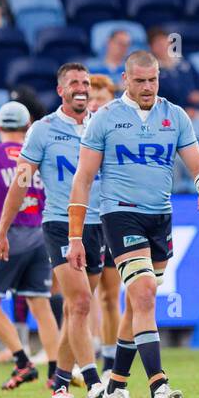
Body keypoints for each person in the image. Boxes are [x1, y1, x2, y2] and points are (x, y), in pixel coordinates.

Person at [68, 48, 199, 398]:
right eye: (140, 81)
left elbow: (198, 163)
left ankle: (116, 385)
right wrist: (75, 236)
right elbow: (83, 179)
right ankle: (159, 385)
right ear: (125, 79)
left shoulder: (175, 115)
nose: (148, 87)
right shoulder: (104, 119)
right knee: (145, 292)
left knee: (139, 303)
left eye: (153, 80)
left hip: (161, 218)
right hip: (120, 216)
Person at [0, 64, 111, 398]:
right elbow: (20, 183)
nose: (81, 88)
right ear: (61, 90)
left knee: (77, 310)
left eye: (86, 83)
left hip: (96, 225)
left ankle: (59, 386)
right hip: (60, 223)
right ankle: (92, 382)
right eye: (74, 83)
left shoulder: (101, 126)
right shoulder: (43, 130)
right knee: (80, 304)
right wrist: (2, 230)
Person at [0, 101, 62, 395]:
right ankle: (55, 373)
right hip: (40, 235)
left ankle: (22, 361)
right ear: (27, 126)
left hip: (7, 237)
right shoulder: (38, 155)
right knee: (40, 304)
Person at [83, 74, 122, 375]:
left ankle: (110, 361)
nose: (96, 104)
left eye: (102, 98)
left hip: (112, 218)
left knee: (110, 295)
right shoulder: (78, 131)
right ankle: (76, 363)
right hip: (82, 221)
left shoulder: (120, 132)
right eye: (92, 98)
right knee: (80, 298)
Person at [148, 26, 199, 112]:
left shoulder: (185, 62)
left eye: (165, 41)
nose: (163, 46)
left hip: (197, 111)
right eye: (158, 44)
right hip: (172, 114)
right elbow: (159, 100)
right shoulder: (150, 70)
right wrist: (184, 109)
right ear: (151, 47)